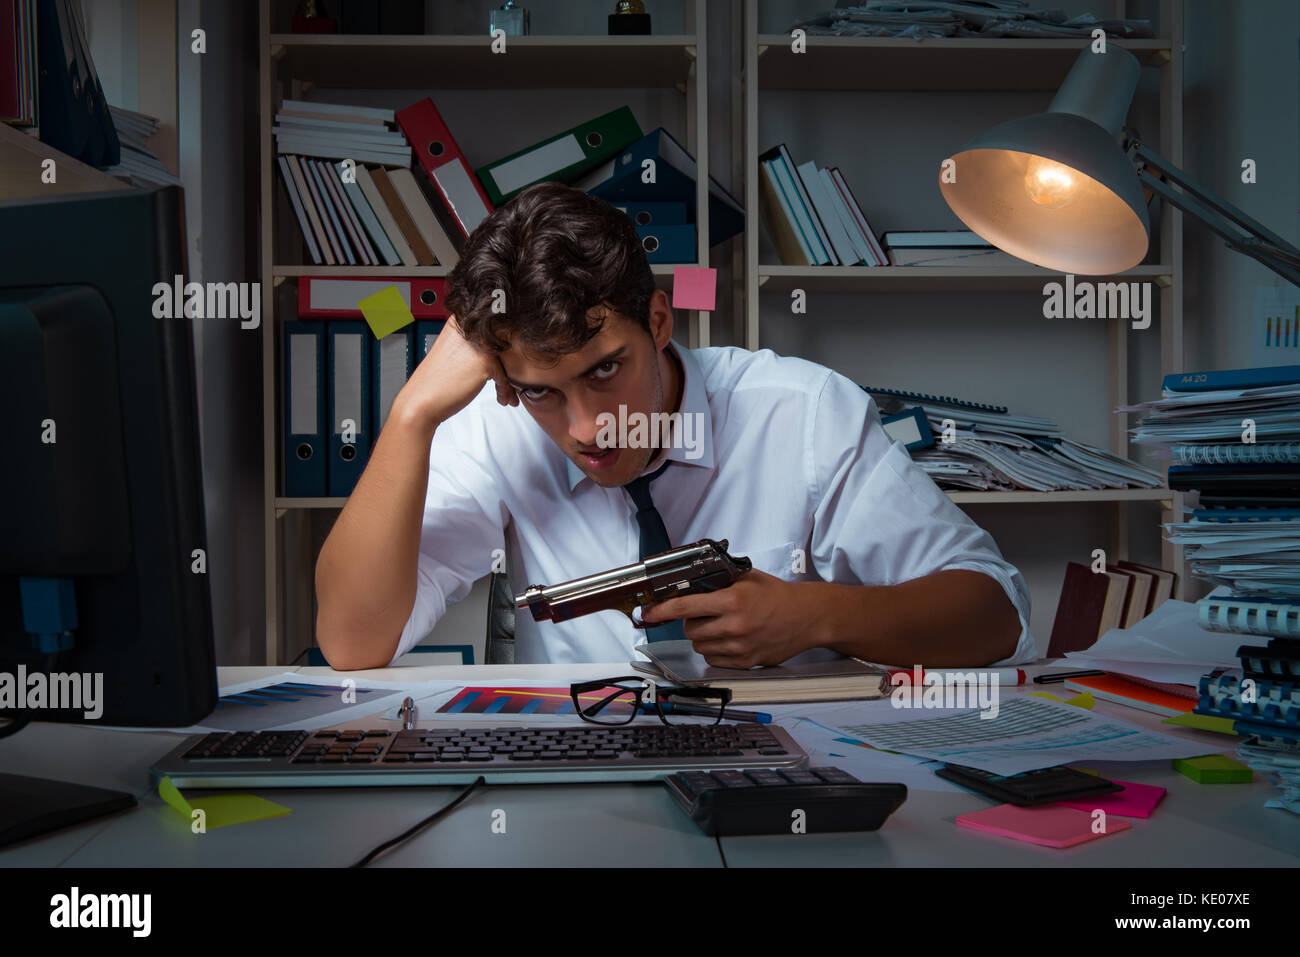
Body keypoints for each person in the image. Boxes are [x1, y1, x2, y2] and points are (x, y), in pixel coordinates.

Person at [314, 182, 1035, 671]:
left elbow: (995, 613)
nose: (588, 427)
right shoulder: (498, 424)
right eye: (541, 393)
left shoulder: (804, 410)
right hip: (585, 792)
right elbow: (351, 642)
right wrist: (412, 416)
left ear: (659, 321)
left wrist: (817, 616)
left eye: (604, 370)